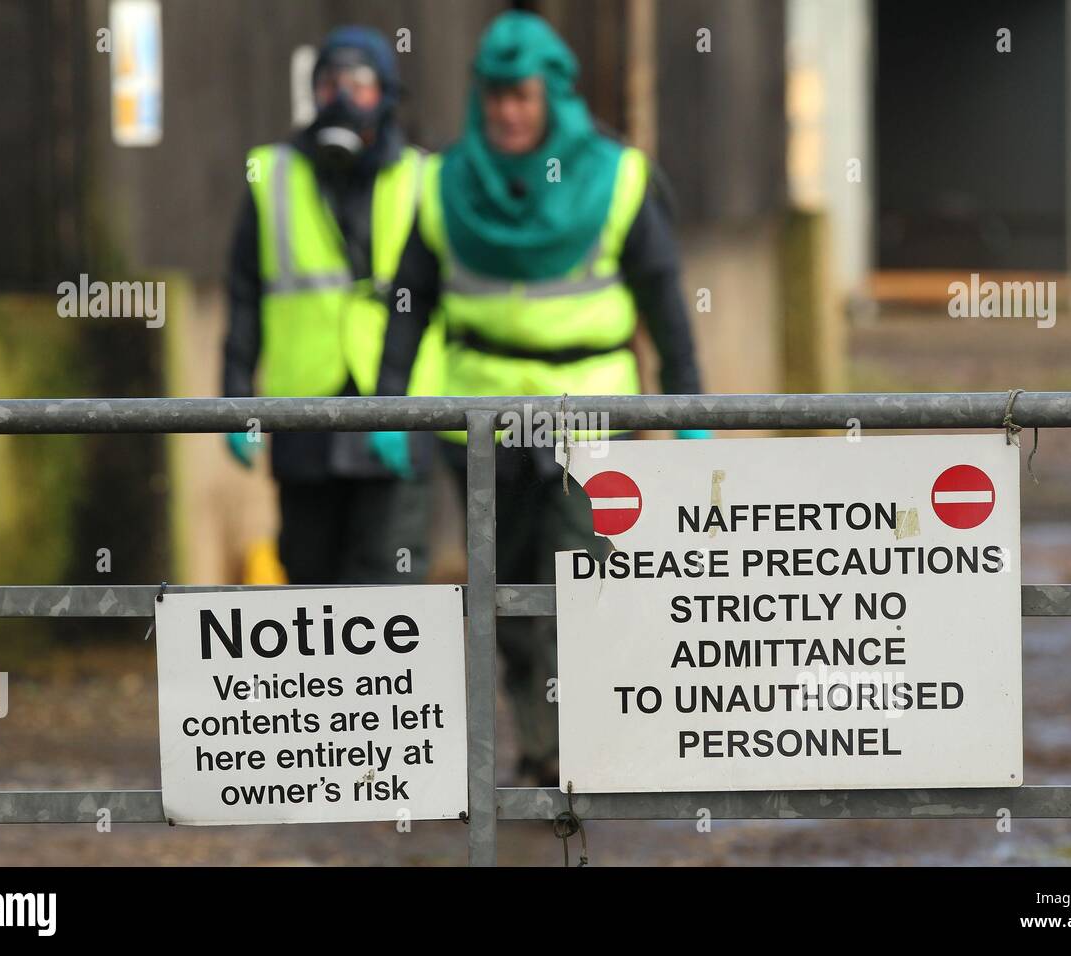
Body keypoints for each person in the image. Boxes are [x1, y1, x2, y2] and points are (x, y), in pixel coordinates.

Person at [377, 11, 707, 785]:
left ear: (553, 96)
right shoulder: (443, 183)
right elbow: (408, 302)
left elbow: (663, 301)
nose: (506, 113)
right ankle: (538, 746)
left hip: (589, 421)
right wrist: (390, 407)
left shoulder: (617, 177)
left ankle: (583, 751)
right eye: (493, 97)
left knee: (579, 584)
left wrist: (689, 408)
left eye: (521, 97)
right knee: (504, 593)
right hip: (481, 428)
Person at [222, 26, 443, 586]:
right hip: (305, 413)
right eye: (328, 84)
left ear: (388, 97)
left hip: (399, 410)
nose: (342, 99)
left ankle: (390, 680)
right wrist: (235, 399)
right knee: (312, 580)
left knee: (390, 581)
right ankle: (321, 681)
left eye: (360, 85)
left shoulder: (424, 177)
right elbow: (244, 293)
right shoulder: (272, 175)